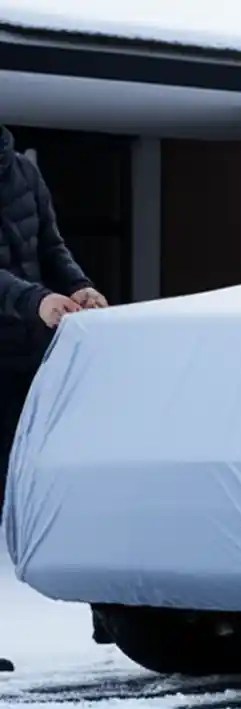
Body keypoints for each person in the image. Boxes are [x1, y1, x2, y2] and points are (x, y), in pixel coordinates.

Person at [0, 125, 108, 672]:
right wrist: (37, 300)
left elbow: (51, 247)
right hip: (15, 337)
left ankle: (117, 613)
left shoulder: (24, 171)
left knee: (62, 482)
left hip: (34, 361)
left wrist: (78, 285)